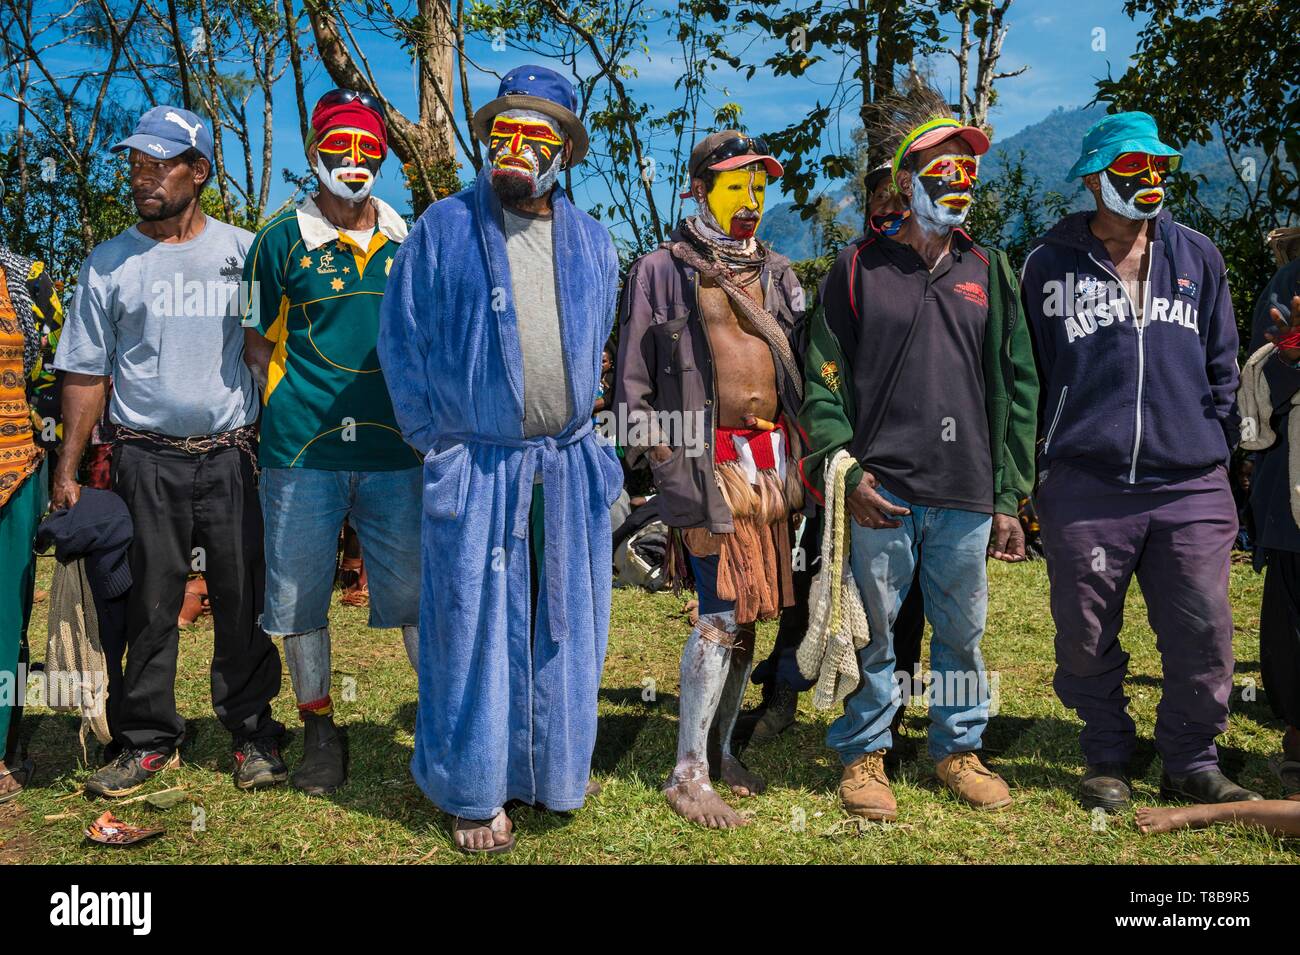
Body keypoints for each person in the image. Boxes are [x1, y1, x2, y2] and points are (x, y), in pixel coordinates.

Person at [378, 65, 621, 854]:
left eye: (534, 135)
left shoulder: (593, 241)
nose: (513, 149)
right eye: (502, 133)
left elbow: (596, 345)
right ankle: (475, 789)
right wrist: (435, 444)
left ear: (564, 151)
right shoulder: (442, 229)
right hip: (477, 467)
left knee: (562, 624)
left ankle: (551, 773)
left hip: (566, 467)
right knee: (474, 628)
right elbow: (400, 343)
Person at [799, 81, 1038, 820]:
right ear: (907, 182)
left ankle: (958, 749)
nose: (959, 184)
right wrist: (845, 470)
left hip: (965, 492)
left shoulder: (990, 271)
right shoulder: (856, 269)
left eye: (968, 173)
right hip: (881, 492)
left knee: (962, 635)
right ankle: (865, 752)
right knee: (870, 630)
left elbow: (1019, 382)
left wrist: (1008, 494)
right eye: (943, 171)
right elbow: (821, 383)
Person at [1021, 111, 1257, 811]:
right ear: (1095, 178)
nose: (1150, 181)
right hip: (1084, 484)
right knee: (1087, 632)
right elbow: (1026, 372)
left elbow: (1223, 363)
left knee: (1204, 629)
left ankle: (1191, 759)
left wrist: (1214, 450)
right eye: (1132, 169)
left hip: (1189, 483)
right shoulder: (1046, 262)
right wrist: (1034, 471)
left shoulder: (1199, 256)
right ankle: (1107, 757)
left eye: (1159, 167)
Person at [52, 106, 285, 797]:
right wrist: (66, 467)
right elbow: (86, 373)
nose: (143, 177)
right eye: (136, 164)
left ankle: (251, 731)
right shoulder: (108, 263)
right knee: (150, 601)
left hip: (232, 455)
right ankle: (148, 737)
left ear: (200, 172)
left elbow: (269, 353)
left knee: (243, 596)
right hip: (142, 458)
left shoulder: (246, 253)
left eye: (160, 164)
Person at [616, 131, 806, 828]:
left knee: (754, 610)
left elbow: (803, 374)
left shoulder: (780, 274)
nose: (751, 200)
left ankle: (722, 750)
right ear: (699, 190)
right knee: (720, 611)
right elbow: (631, 388)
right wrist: (664, 472)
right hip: (702, 465)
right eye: (735, 187)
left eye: (760, 187)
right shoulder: (660, 272)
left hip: (770, 467)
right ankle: (686, 772)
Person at [242, 89, 420, 796]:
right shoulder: (276, 239)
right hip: (303, 452)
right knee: (300, 597)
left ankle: (438, 722)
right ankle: (319, 727)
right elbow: (254, 342)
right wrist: (297, 404)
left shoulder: (410, 239)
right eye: (339, 145)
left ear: (381, 154)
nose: (353, 160)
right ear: (313, 149)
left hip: (396, 452)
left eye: (367, 147)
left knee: (415, 595)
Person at [0, 246, 60, 801]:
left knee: (5, 616)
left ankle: (3, 747)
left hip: (12, 468)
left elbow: (53, 377)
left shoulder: (28, 275)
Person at [1244, 255, 1300, 800]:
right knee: (1293, 627)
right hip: (1296, 488)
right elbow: (1258, 377)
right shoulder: (1294, 279)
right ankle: (1298, 747)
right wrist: (1291, 359)